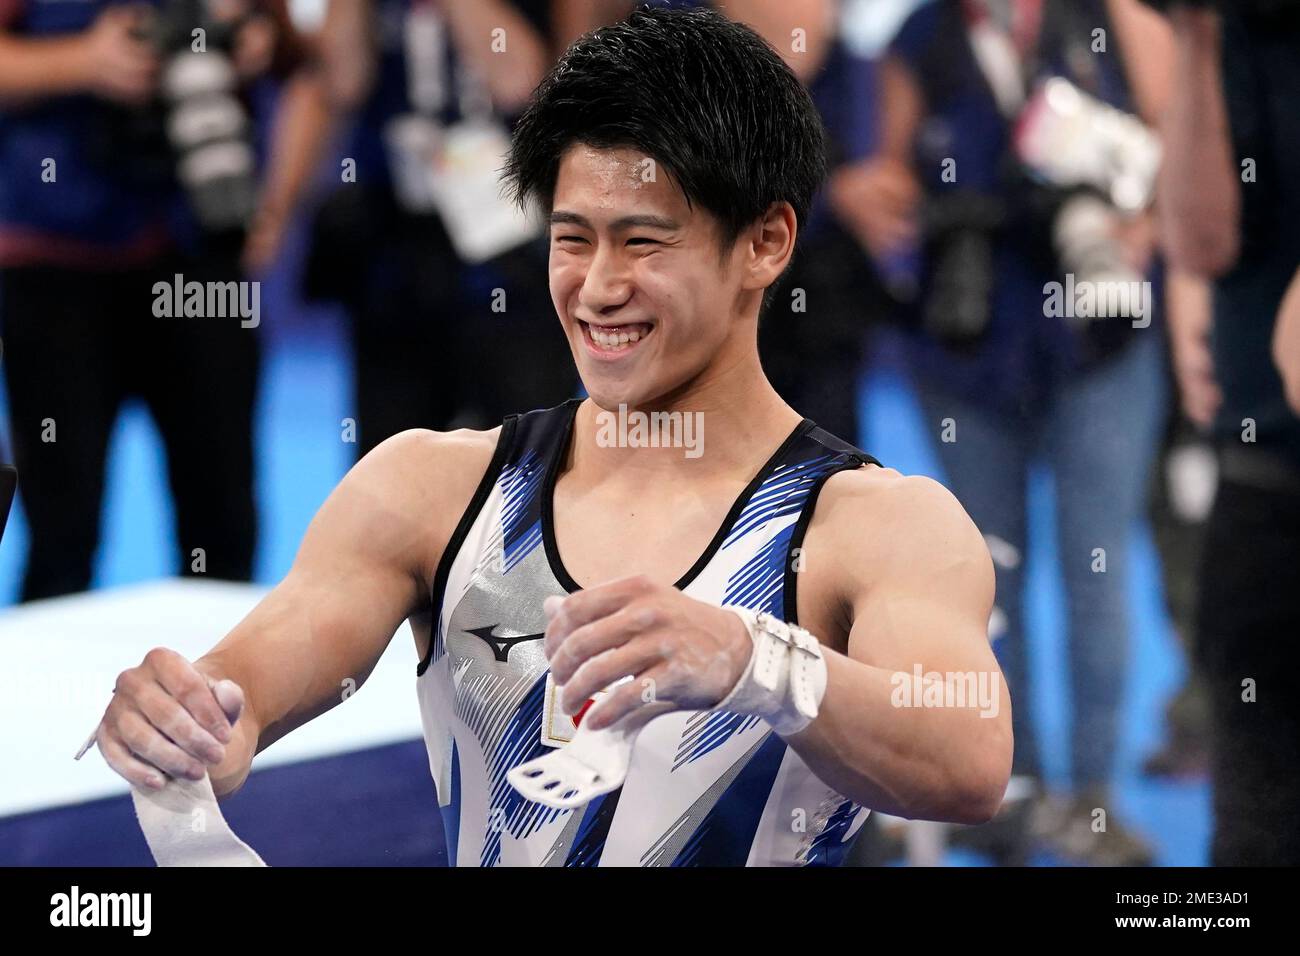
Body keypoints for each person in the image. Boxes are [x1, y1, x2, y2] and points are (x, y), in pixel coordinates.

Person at [90, 6, 1011, 867]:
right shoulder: (427, 488)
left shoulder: (877, 526)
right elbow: (248, 688)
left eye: (644, 243)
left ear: (766, 244)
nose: (598, 287)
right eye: (573, 239)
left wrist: (755, 663)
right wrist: (184, 716)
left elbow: (970, 760)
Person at [855, 0, 1174, 864]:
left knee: (1095, 563)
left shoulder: (1121, 23)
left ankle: (1096, 801)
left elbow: (1188, 158)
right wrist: (894, 210)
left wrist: (1138, 229)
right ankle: (1012, 791)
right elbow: (884, 178)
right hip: (966, 343)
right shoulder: (919, 39)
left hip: (1101, 340)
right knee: (986, 571)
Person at [0, 0, 300, 599]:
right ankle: (50, 687)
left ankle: (224, 691)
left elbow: (298, 59)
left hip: (202, 253)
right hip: (56, 261)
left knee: (224, 527)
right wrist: (81, 60)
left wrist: (246, 41)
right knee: (61, 529)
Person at [246, 0, 577, 455]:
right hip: (394, 251)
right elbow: (341, 81)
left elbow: (518, 80)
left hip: (509, 253)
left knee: (526, 458)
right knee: (387, 456)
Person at [1153, 0, 1300, 866]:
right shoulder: (1229, 33)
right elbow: (1201, 241)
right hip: (1262, 481)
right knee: (1254, 824)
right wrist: (1196, 40)